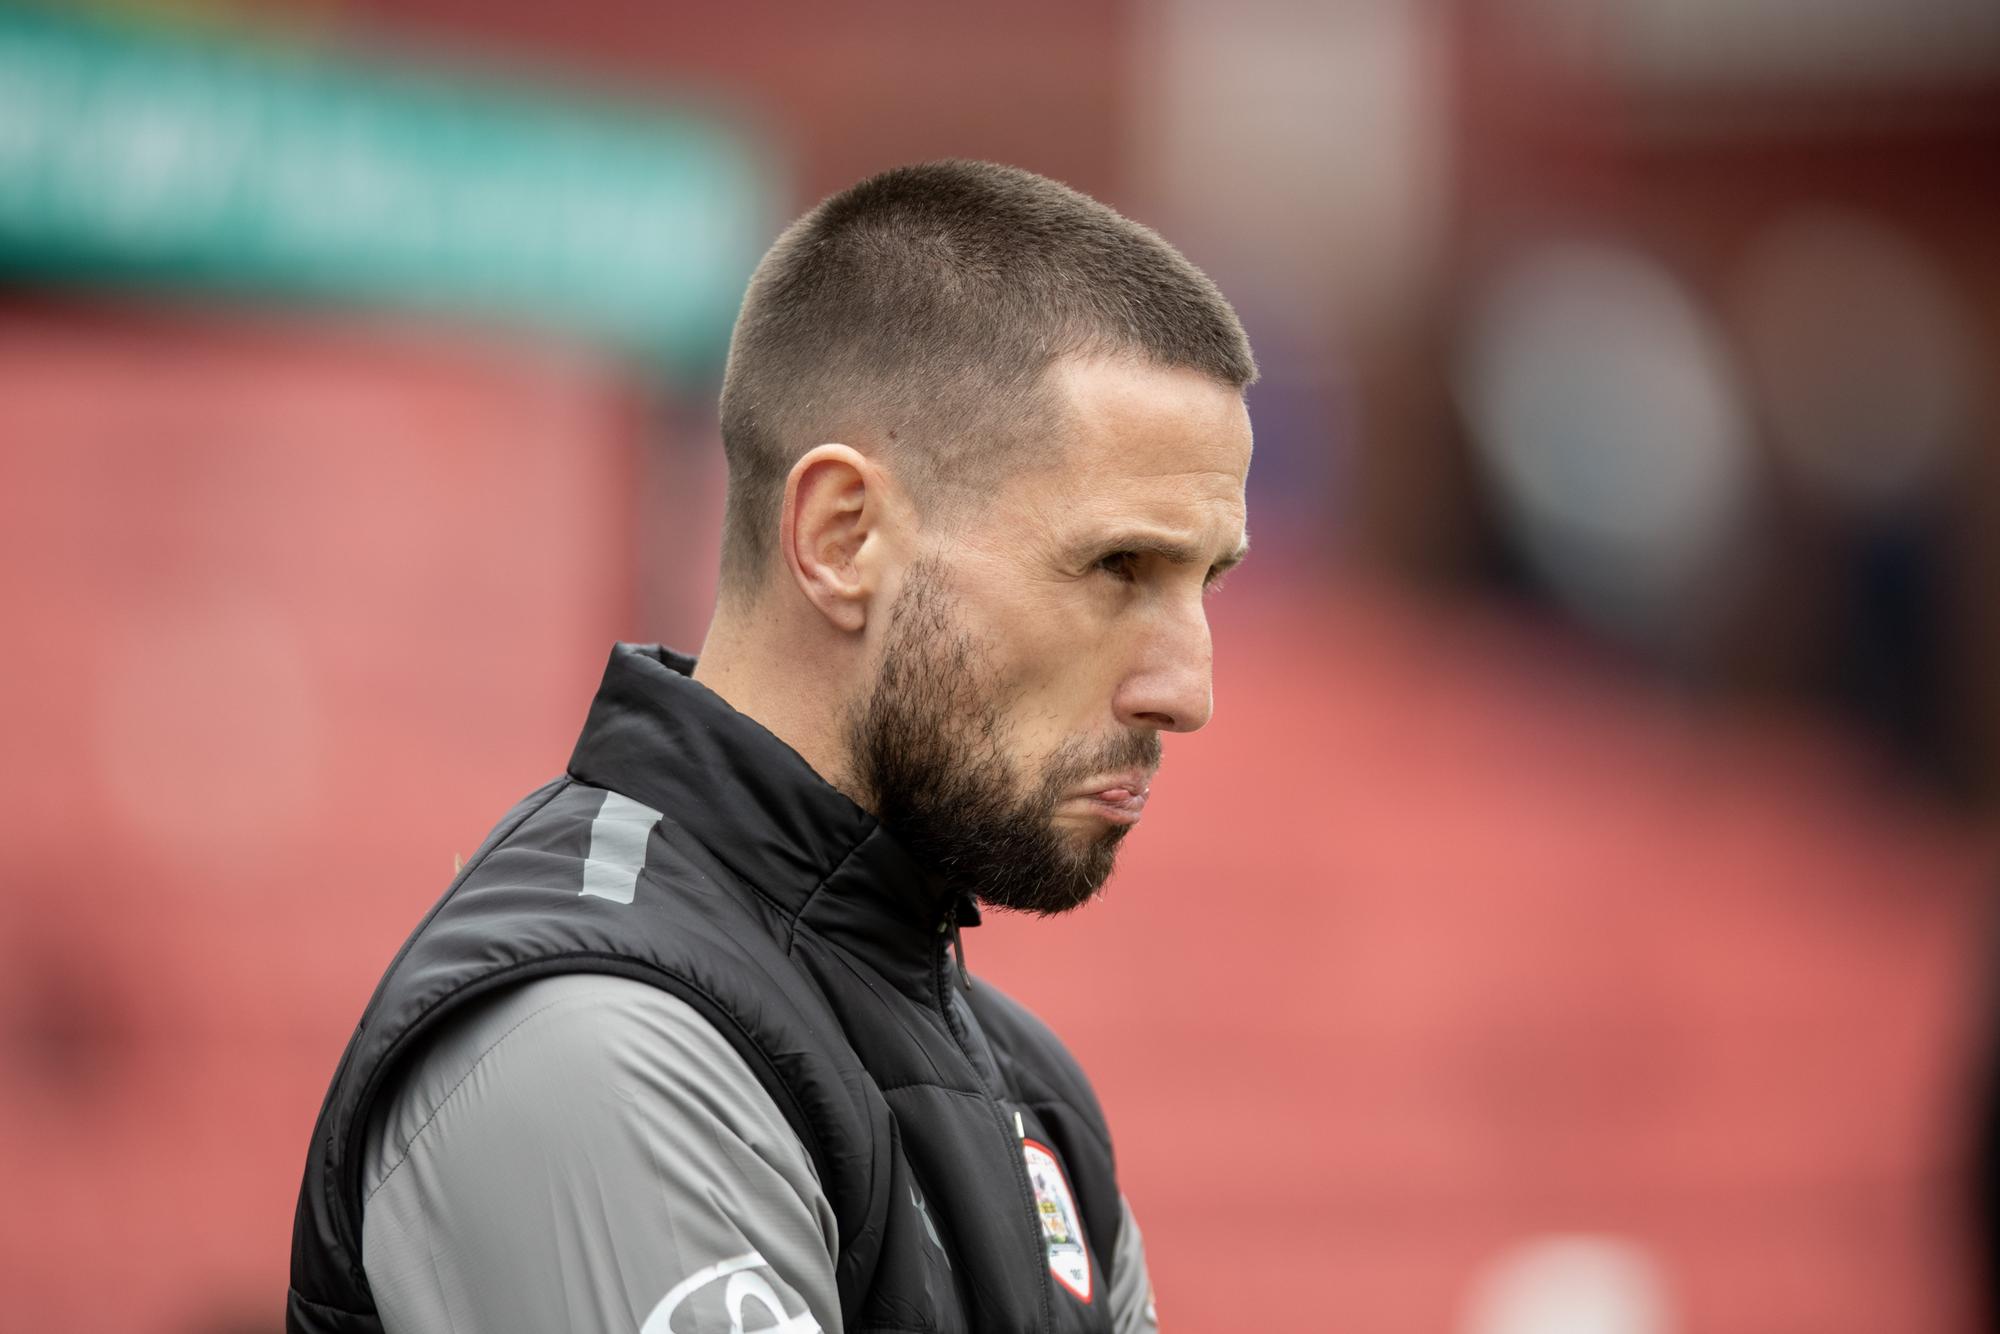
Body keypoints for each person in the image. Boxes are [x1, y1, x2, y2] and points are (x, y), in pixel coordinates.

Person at [287, 159, 1256, 1334]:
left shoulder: (1032, 1093)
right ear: (842, 536)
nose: (1188, 690)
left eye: (1206, 580)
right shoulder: (598, 1042)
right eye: (1119, 567)